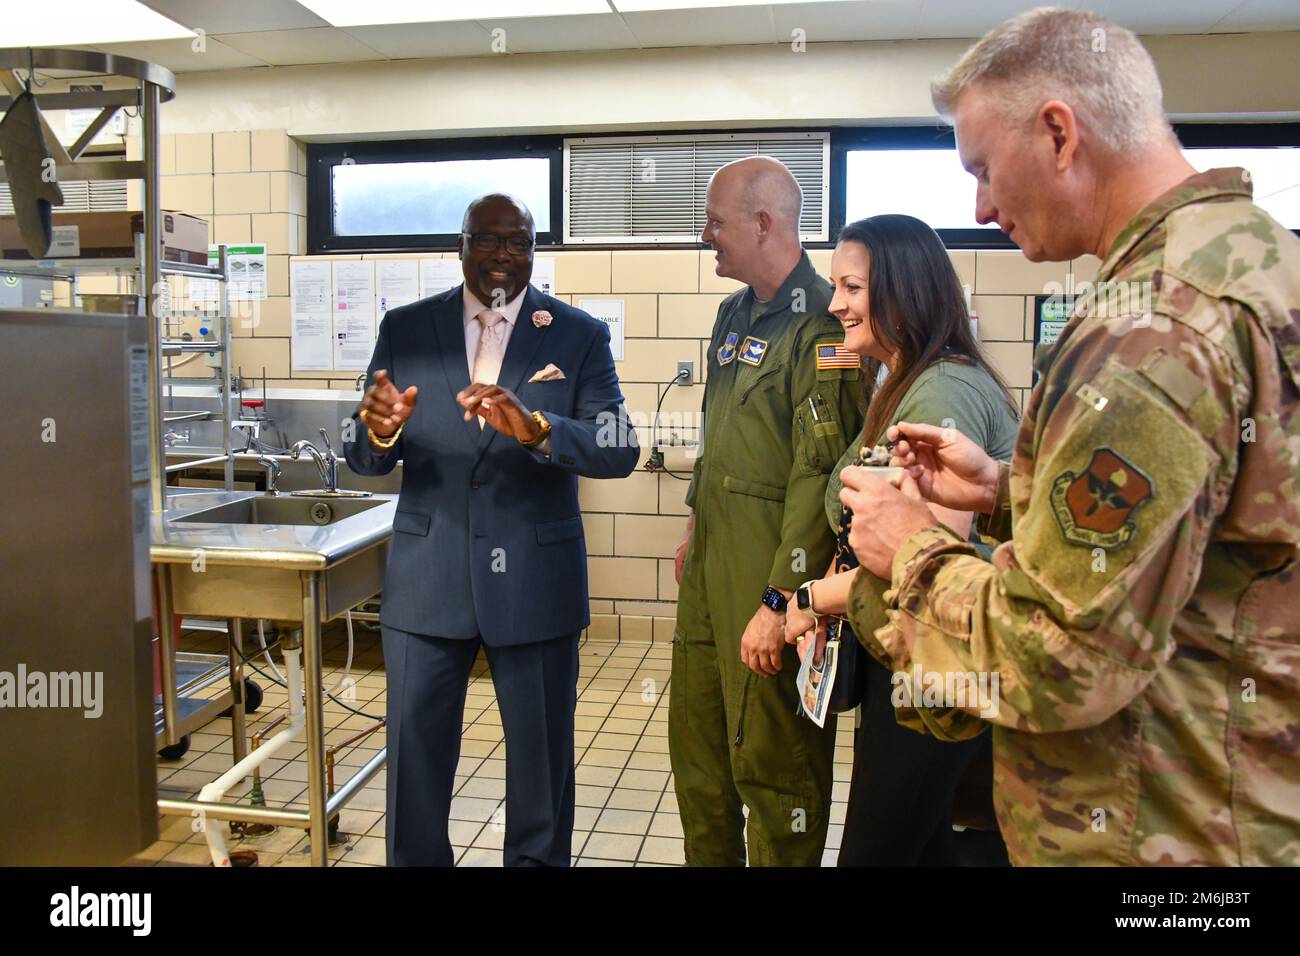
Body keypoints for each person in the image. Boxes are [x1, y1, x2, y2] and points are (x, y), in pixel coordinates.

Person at [837, 7, 1300, 865]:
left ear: (1058, 133)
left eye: (981, 168)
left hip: (1160, 833)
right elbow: (1212, 533)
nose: (978, 203)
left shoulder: (1155, 327)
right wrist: (1008, 489)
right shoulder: (1256, 260)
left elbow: (1056, 662)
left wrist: (907, 550)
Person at [346, 193, 639, 866]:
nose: (505, 254)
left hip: (535, 584)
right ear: (461, 243)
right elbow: (364, 452)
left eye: (520, 243)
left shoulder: (576, 334)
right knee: (414, 764)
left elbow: (619, 446)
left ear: (535, 252)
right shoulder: (408, 328)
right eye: (489, 240)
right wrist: (379, 430)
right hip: (428, 579)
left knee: (541, 771)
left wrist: (538, 429)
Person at [781, 214, 1019, 865]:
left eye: (851, 288)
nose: (835, 304)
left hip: (934, 666)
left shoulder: (940, 390)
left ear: (902, 291)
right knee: (922, 844)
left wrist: (805, 602)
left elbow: (924, 572)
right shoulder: (898, 381)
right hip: (915, 661)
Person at [670, 156, 864, 866]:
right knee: (699, 758)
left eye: (715, 223)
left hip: (772, 570)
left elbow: (823, 475)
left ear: (763, 222)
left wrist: (782, 597)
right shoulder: (732, 313)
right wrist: (694, 524)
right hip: (711, 569)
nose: (704, 235)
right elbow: (721, 431)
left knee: (776, 770)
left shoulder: (824, 325)